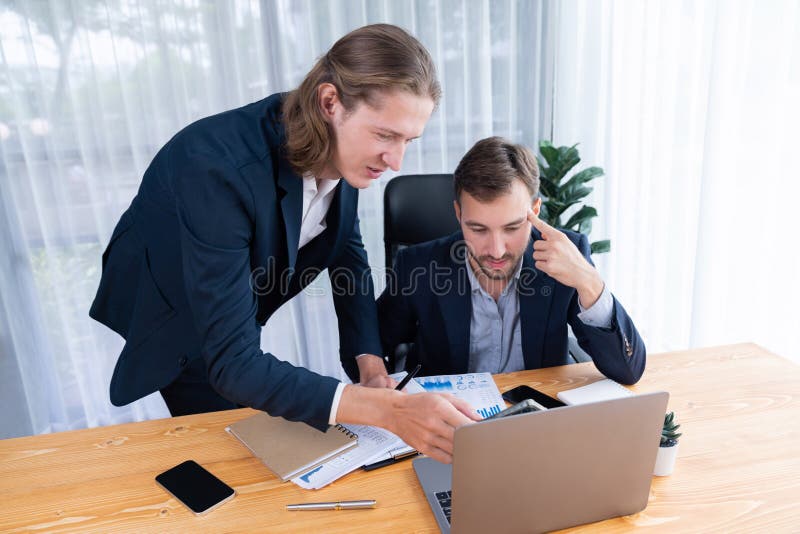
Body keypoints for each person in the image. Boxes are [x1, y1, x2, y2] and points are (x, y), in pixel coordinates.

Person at [90, 24, 478, 464]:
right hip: (173, 305)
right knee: (228, 453)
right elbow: (233, 363)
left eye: (408, 140)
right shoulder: (215, 168)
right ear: (330, 102)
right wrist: (388, 410)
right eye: (385, 135)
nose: (396, 162)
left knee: (258, 432)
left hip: (231, 291)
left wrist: (371, 367)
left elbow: (349, 261)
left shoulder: (340, 147)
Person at [377, 136, 646, 383]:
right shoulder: (419, 265)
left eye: (512, 228)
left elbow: (628, 370)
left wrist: (588, 281)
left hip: (535, 418)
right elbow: (368, 348)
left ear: (535, 211)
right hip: (451, 421)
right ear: (458, 214)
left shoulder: (565, 256)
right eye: (478, 229)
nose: (496, 250)